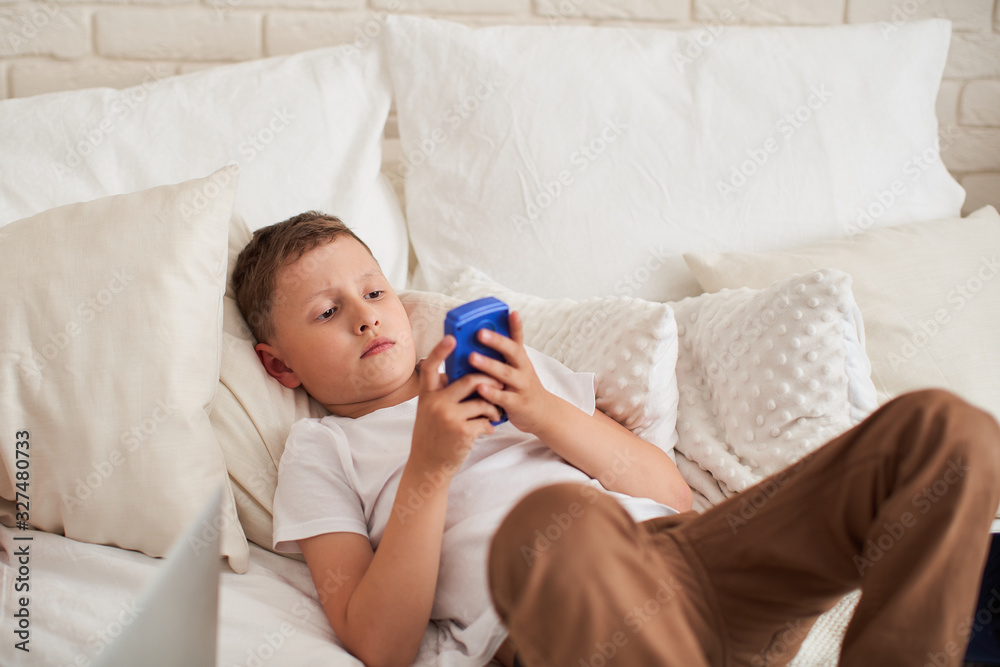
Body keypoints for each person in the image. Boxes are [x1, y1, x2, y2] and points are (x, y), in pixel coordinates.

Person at [232, 211, 1000, 667]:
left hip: (692, 567)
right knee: (554, 527)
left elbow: (665, 490)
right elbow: (378, 642)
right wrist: (429, 468)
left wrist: (539, 408)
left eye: (372, 291)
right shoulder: (322, 451)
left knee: (945, 431)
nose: (366, 315)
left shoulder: (512, 373)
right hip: (559, 619)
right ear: (278, 364)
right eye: (327, 313)